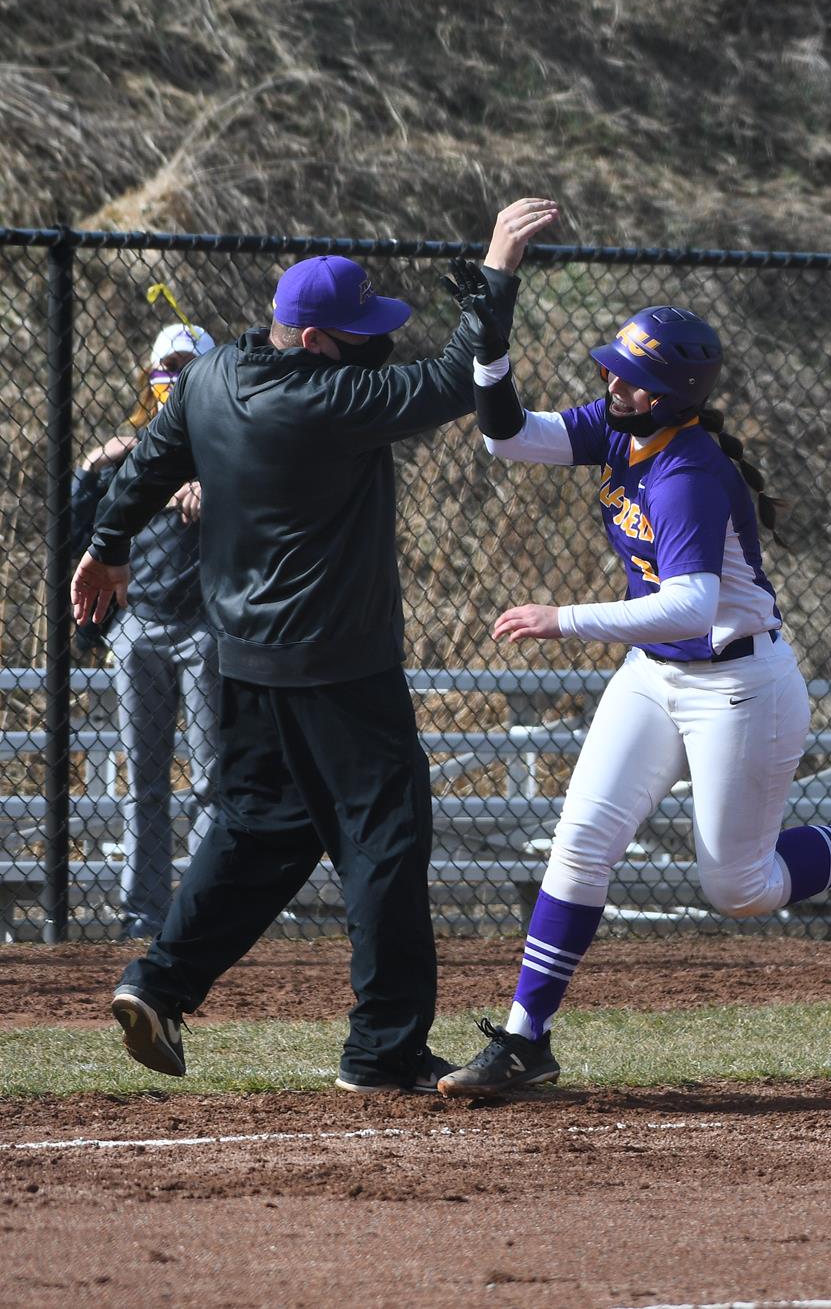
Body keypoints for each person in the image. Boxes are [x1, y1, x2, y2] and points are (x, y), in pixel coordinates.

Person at [72, 197, 559, 1094]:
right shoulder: (326, 399)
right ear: (315, 342)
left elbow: (148, 460)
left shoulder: (211, 379)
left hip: (244, 659)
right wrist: (497, 267)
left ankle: (159, 981)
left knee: (261, 828)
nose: (377, 344)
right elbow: (457, 378)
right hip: (341, 667)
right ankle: (383, 1048)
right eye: (361, 333)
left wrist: (105, 547)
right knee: (384, 837)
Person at [433, 294, 831, 1100]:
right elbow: (508, 436)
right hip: (654, 675)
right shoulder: (621, 425)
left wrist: (562, 618)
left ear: (674, 395)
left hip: (741, 687)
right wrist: (491, 349)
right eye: (618, 368)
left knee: (738, 888)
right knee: (580, 844)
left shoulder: (687, 473)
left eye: (637, 377)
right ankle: (523, 1040)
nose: (617, 381)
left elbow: (690, 604)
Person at [69, 323, 220, 939]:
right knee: (145, 778)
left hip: (205, 631)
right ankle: (142, 913)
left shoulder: (228, 444)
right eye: (165, 370)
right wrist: (90, 467)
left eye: (187, 370)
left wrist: (217, 485)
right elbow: (76, 523)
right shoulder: (131, 453)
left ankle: (209, 913)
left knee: (213, 778)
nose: (173, 381)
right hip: (139, 629)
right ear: (148, 379)